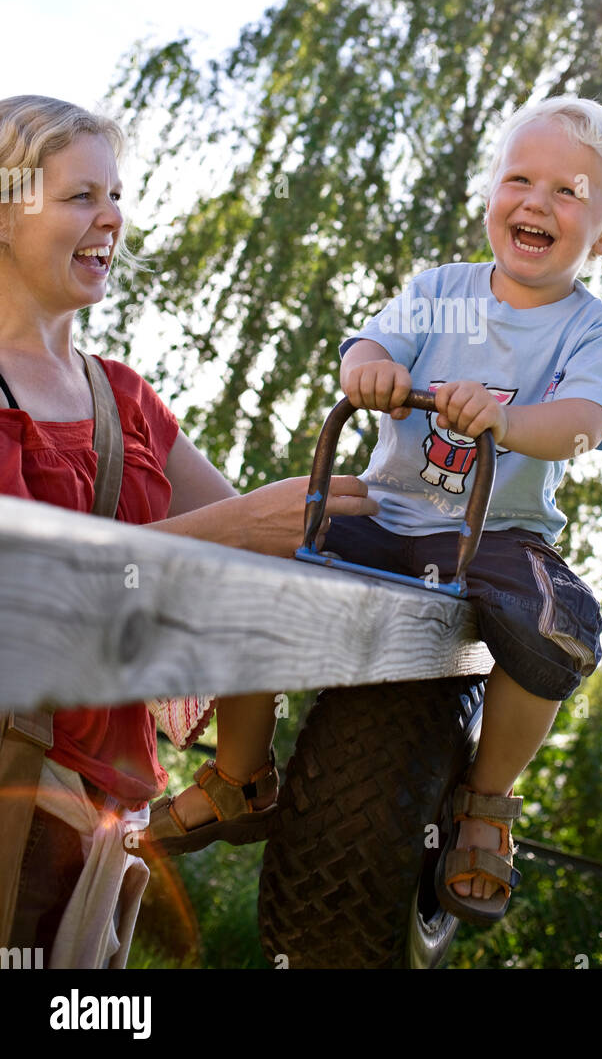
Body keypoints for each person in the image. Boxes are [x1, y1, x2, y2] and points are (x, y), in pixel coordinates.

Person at [0, 94, 377, 963]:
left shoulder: (122, 398)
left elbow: (256, 545)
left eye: (117, 195)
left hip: (100, 827)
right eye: (81, 196)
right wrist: (245, 524)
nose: (113, 218)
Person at [327, 94, 602, 923]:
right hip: (391, 510)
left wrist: (508, 418)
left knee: (559, 625)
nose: (537, 201)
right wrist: (366, 369)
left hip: (498, 532)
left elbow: (583, 425)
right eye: (520, 179)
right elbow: (368, 346)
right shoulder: (441, 291)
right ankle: (241, 769)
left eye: (569, 192)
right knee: (266, 553)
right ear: (492, 197)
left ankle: (486, 803)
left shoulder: (593, 331)